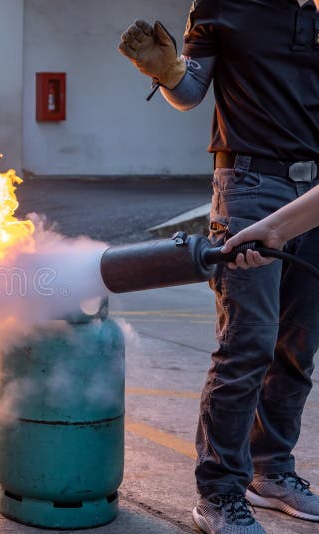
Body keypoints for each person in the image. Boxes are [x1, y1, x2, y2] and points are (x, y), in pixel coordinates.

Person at [119, 2, 319, 533]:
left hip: (316, 195)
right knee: (247, 344)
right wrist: (166, 72)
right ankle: (220, 492)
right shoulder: (222, 5)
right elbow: (190, 91)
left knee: (298, 345)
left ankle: (271, 472)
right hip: (251, 186)